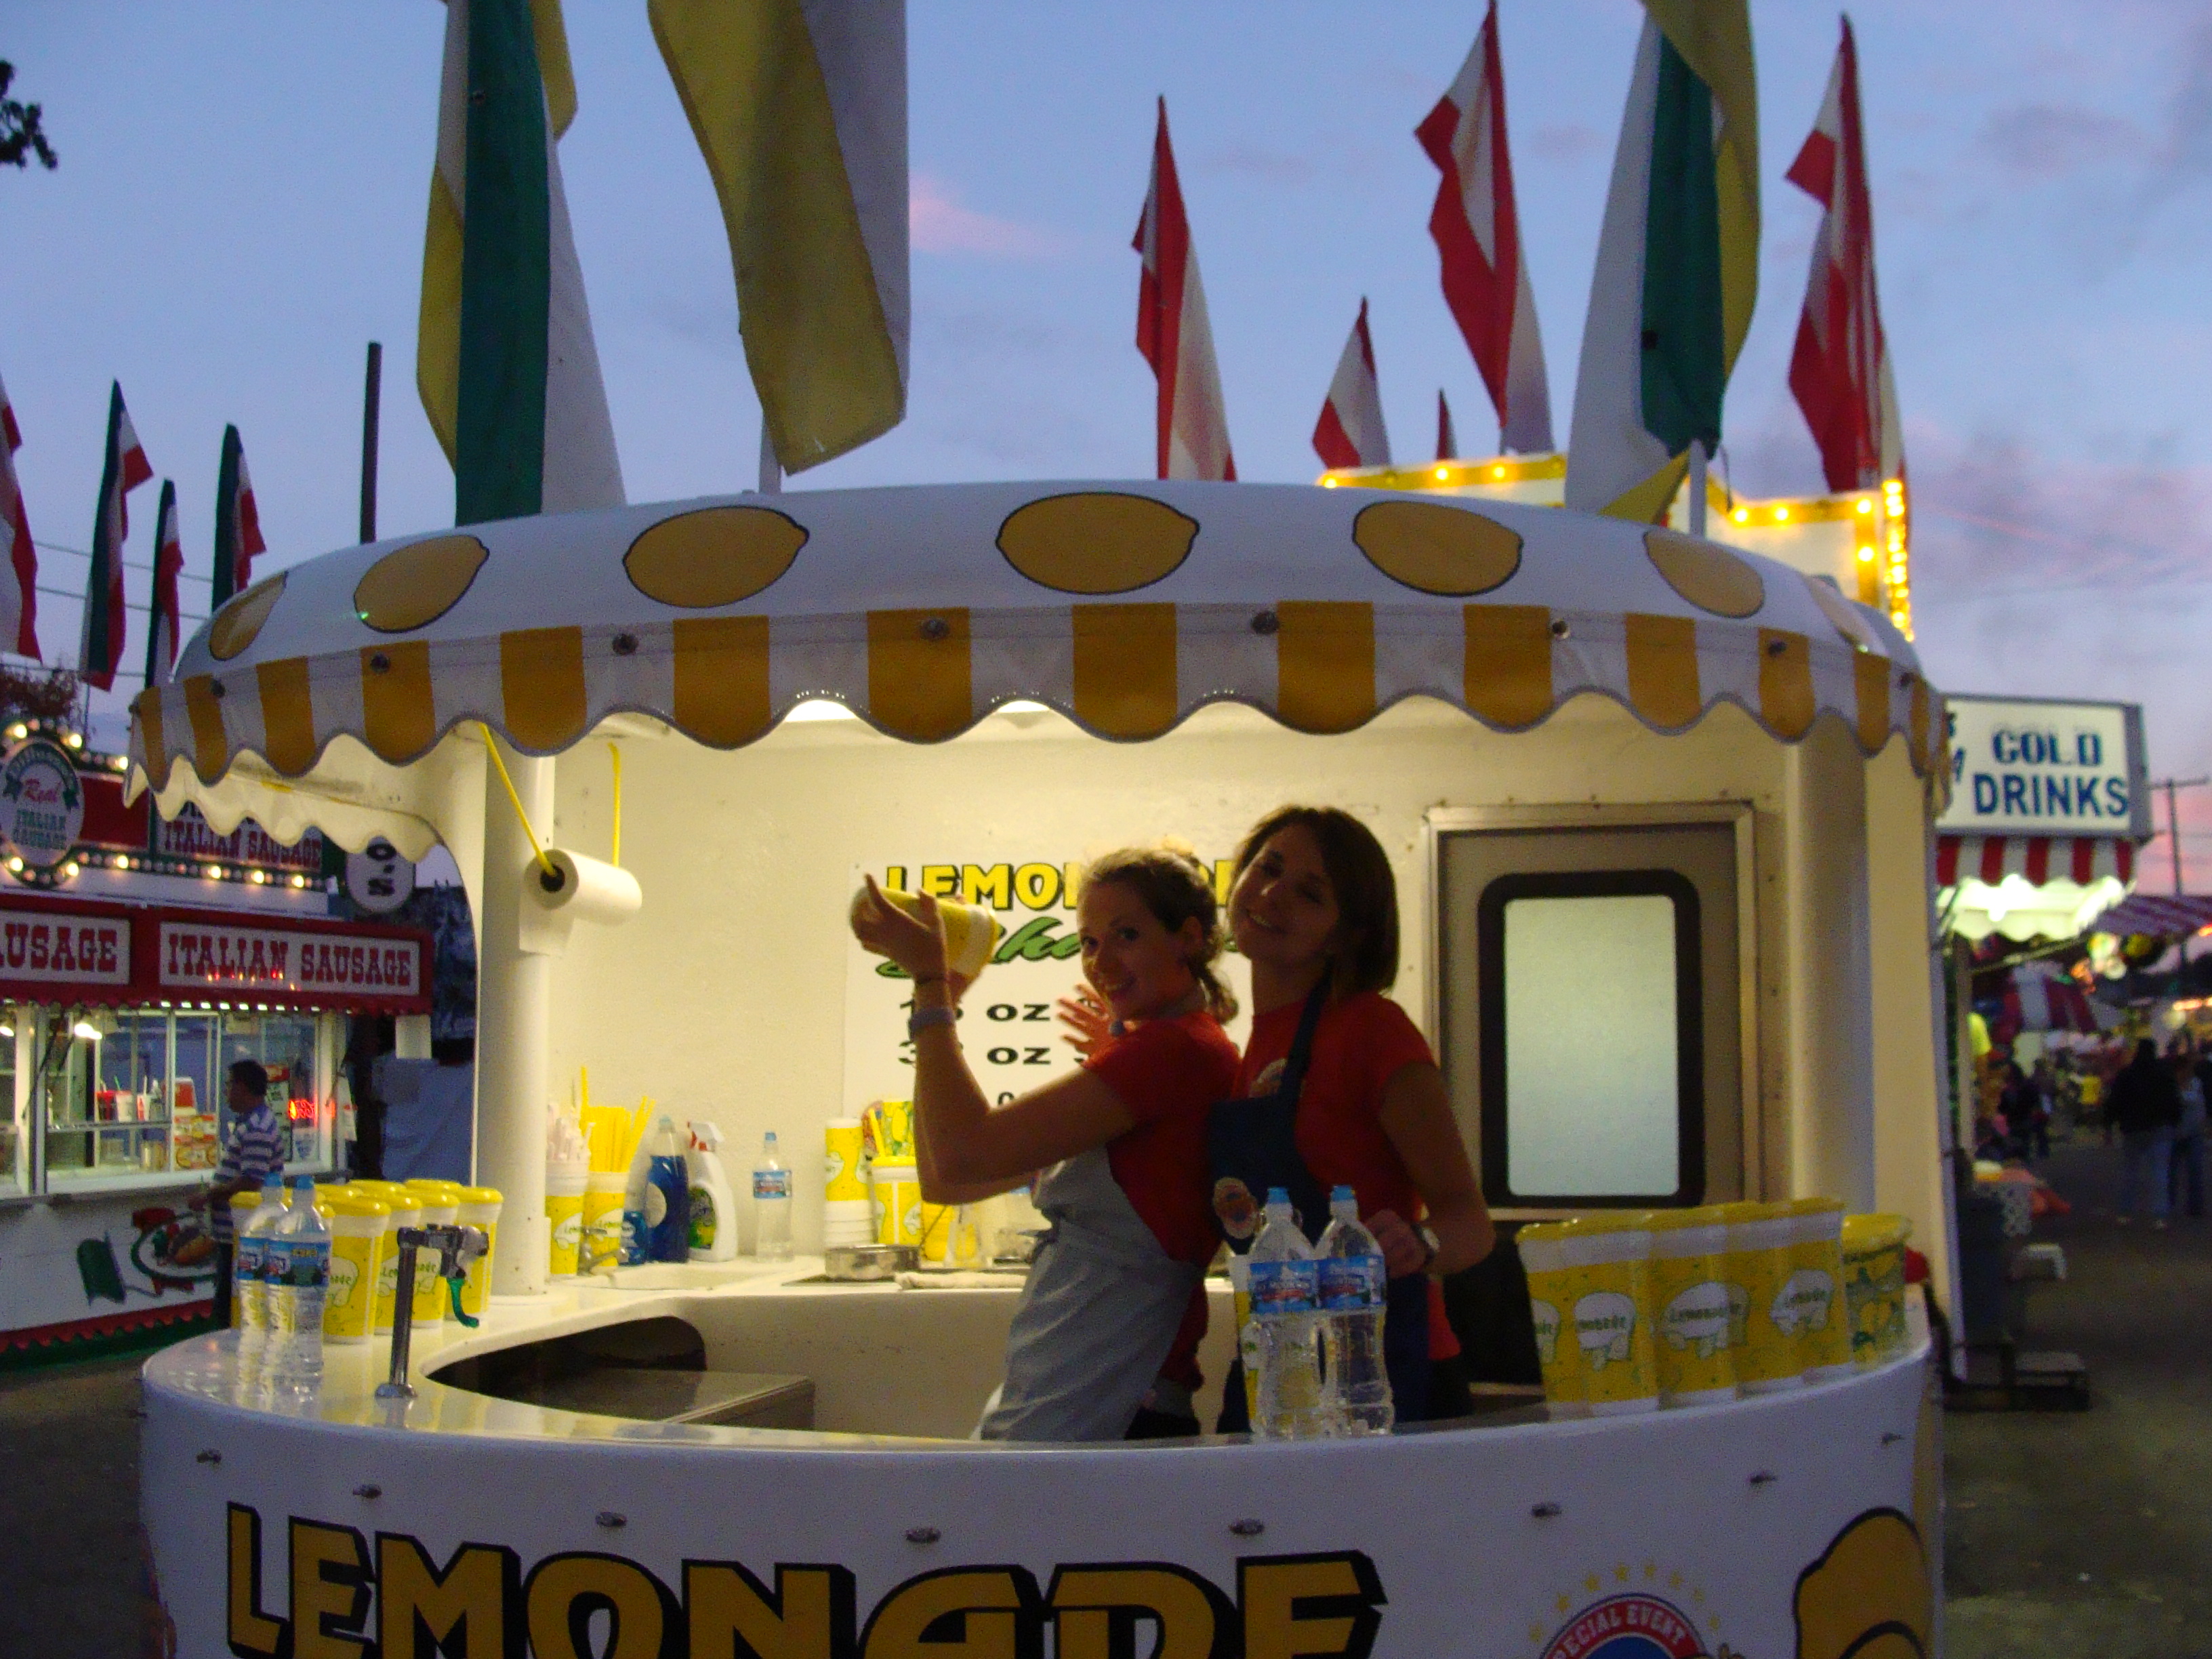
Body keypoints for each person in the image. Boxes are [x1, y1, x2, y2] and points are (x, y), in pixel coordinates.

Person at [851, 849, 1240, 1441]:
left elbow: (964, 1153)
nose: (1101, 962)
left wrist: (932, 987)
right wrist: (941, 999)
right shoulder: (1161, 1049)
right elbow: (946, 1181)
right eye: (1087, 943)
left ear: (1187, 938)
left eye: (1125, 935)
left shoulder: (1175, 1051)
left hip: (1106, 1400)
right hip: (1077, 1388)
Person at [1208, 805, 1496, 1425]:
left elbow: (1470, 1223)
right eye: (1268, 868)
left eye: (1309, 894)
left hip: (1383, 1371)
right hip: (1279, 1363)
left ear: (1347, 933)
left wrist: (1421, 1243)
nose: (1272, 895)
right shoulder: (1251, 1047)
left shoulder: (1371, 1030)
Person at [187, 1059, 286, 1325]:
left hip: (244, 1234)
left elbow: (251, 1181)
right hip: (232, 1232)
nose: (226, 1091)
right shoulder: (248, 1123)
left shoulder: (257, 1129)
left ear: (242, 1088)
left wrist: (208, 1196)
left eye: (229, 1085)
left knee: (230, 1299)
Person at [2106, 1038, 2180, 1229]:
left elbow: (2115, 1101)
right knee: (2160, 1172)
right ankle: (2159, 1215)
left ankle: (2126, 1211)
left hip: (2133, 1128)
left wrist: (2109, 1124)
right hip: (2160, 1127)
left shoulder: (2127, 1074)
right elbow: (2174, 1100)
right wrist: (2175, 1121)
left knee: (2131, 1171)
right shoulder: (2164, 1074)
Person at [2171, 1041, 2208, 1221]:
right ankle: (2169, 1204)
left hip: (2192, 1131)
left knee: (2194, 1170)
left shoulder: (2194, 1082)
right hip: (2176, 1132)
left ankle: (2195, 1206)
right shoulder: (2175, 1085)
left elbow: (2198, 1104)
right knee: (2173, 1171)